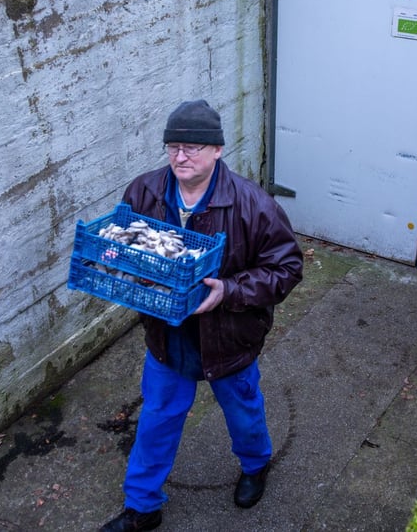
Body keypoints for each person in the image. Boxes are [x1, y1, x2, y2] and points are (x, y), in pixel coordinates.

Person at [99, 100, 304, 532]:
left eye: (192, 147)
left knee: (244, 412)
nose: (180, 157)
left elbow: (286, 269)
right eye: (173, 146)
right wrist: (115, 262)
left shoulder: (253, 205)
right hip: (167, 335)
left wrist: (229, 291)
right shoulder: (144, 191)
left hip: (229, 337)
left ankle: (255, 466)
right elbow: (123, 246)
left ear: (217, 150)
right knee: (157, 417)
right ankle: (142, 506)